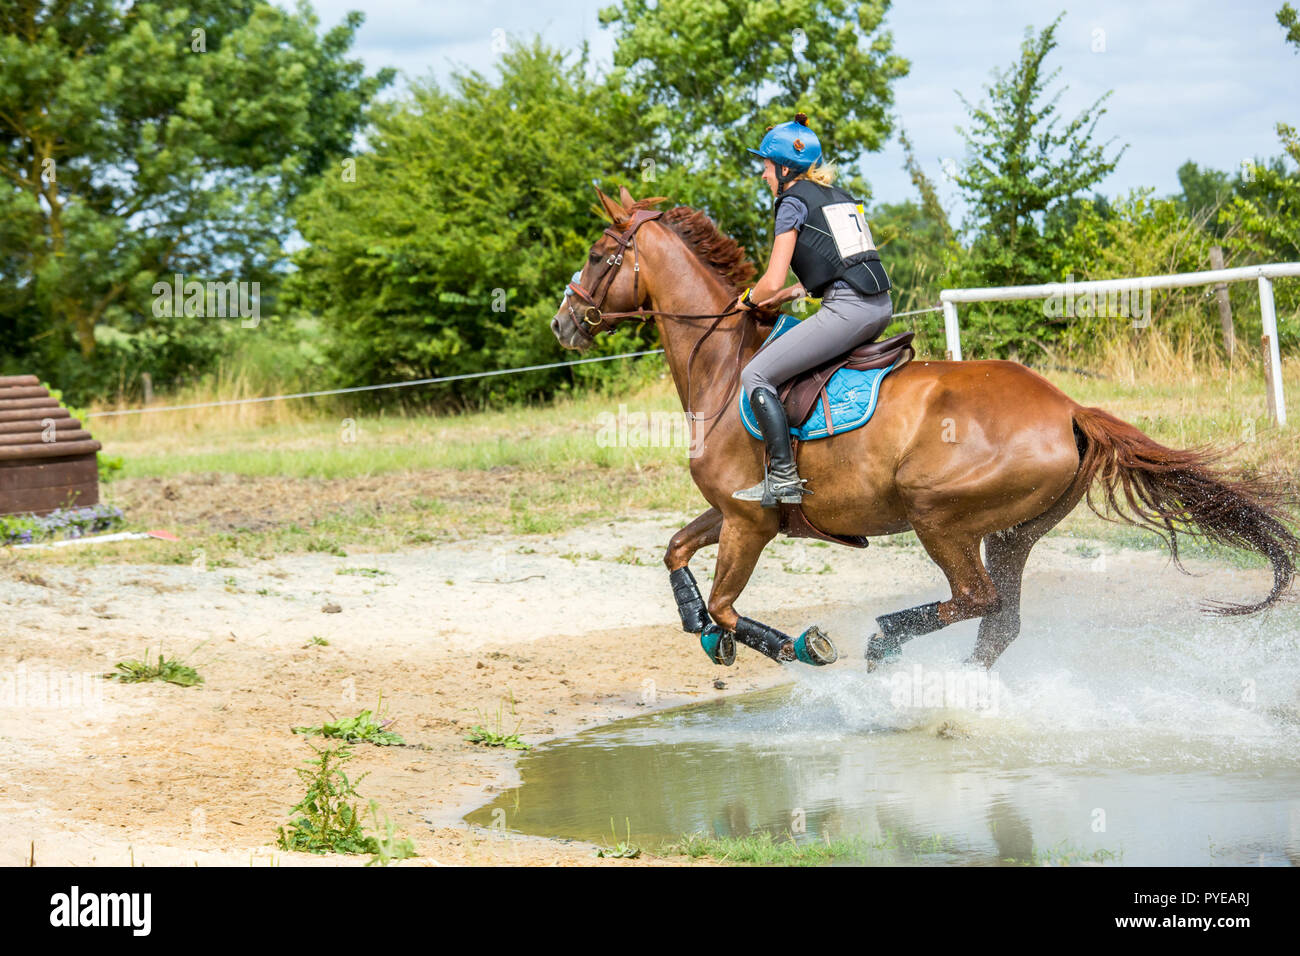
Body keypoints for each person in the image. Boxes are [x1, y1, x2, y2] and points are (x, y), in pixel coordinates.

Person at [732, 113, 894, 507]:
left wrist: (750, 298)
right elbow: (844, 261)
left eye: (767, 167)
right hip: (880, 306)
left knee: (755, 373)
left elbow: (768, 280)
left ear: (785, 168)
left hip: (847, 312)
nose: (764, 176)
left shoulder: (790, 203)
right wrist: (790, 294)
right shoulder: (838, 196)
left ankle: (784, 478)